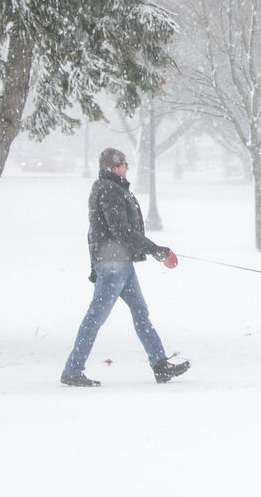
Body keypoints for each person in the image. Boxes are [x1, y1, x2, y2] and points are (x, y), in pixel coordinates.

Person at [61, 148, 190, 387]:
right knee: (95, 318)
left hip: (121, 264)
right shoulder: (109, 190)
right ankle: (73, 369)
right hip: (112, 265)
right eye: (125, 164)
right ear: (114, 167)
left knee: (141, 313)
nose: (128, 168)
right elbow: (120, 229)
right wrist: (154, 249)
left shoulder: (113, 188)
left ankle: (160, 364)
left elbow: (96, 232)